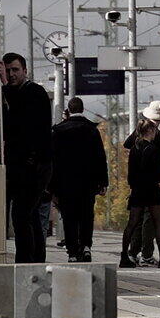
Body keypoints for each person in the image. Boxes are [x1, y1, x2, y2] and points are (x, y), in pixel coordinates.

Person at [0, 53, 54, 265]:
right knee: (28, 216)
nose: (11, 75)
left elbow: (20, 118)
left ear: (25, 71)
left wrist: (4, 85)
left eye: (15, 70)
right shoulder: (19, 93)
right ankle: (35, 260)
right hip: (25, 164)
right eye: (9, 70)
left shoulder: (34, 92)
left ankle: (27, 261)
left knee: (21, 215)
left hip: (35, 164)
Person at [49, 96, 109, 263]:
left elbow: (53, 160)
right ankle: (86, 247)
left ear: (69, 110)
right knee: (86, 216)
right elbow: (100, 157)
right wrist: (103, 182)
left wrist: (52, 187)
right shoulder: (92, 129)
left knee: (69, 217)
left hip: (65, 183)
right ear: (82, 109)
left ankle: (72, 252)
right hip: (88, 183)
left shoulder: (58, 131)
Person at [121, 101, 160, 268]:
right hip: (151, 187)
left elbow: (127, 147)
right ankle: (155, 256)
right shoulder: (153, 140)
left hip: (137, 187)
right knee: (156, 222)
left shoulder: (136, 144)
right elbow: (157, 171)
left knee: (134, 222)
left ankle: (128, 254)